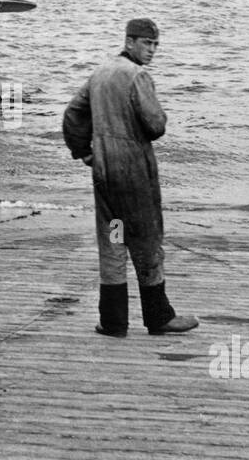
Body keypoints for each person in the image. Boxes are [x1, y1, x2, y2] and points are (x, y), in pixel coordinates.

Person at [62, 18, 198, 337]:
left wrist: (83, 151)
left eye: (155, 45)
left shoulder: (101, 71)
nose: (151, 50)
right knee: (147, 240)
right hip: (133, 174)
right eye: (146, 44)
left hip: (105, 173)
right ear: (129, 42)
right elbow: (155, 125)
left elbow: (72, 115)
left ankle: (113, 321)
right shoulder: (137, 76)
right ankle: (158, 316)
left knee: (113, 239)